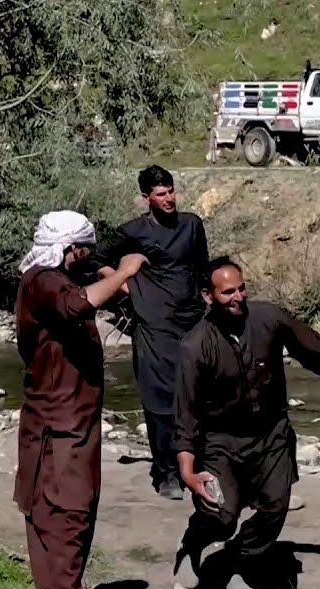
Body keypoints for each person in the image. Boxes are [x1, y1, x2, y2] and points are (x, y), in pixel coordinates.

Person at [171, 256, 320, 589]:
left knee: (275, 507)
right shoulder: (195, 346)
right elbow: (186, 415)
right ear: (207, 296)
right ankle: (192, 545)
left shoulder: (269, 318)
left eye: (242, 288)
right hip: (220, 442)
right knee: (222, 515)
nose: (238, 297)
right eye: (228, 292)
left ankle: (232, 564)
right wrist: (187, 472)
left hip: (271, 435)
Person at [15, 210, 147, 589]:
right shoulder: (45, 281)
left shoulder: (55, 276)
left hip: (71, 418)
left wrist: (112, 276)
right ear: (70, 248)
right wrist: (124, 271)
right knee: (64, 511)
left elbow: (84, 290)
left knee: (67, 510)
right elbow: (76, 304)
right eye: (86, 249)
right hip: (59, 422)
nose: (89, 256)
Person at [92, 165, 208, 501]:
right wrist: (125, 286)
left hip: (192, 320)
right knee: (160, 398)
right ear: (147, 198)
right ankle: (166, 473)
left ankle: (195, 463)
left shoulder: (191, 225)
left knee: (196, 394)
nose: (169, 198)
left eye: (170, 191)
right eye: (161, 193)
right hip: (154, 324)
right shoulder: (134, 231)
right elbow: (98, 258)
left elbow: (202, 266)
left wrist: (207, 298)